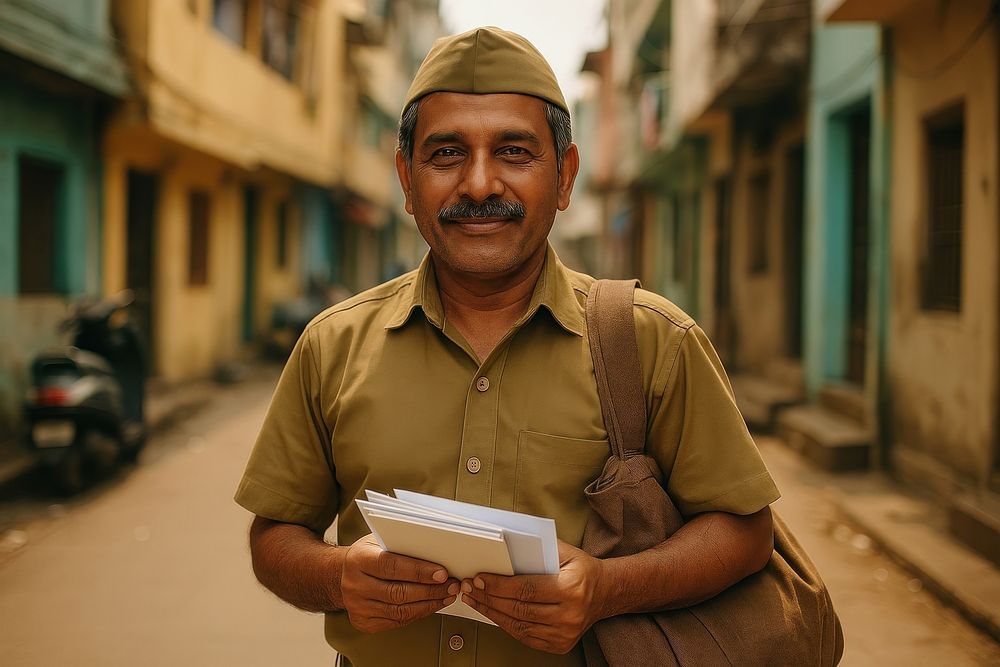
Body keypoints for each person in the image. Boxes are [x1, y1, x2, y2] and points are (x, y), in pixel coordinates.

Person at [236, 27, 779, 667]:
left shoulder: (654, 341)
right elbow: (275, 535)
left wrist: (607, 588)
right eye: (446, 154)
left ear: (566, 176)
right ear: (406, 179)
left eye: (514, 152)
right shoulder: (332, 345)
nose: (479, 185)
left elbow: (745, 531)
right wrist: (337, 578)